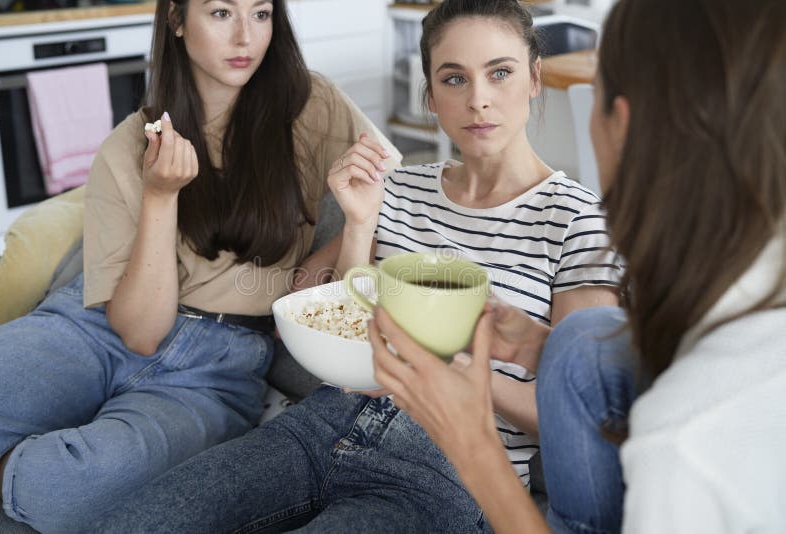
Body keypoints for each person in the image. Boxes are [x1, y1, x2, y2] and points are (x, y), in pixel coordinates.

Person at [95, 1, 622, 532]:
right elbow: (316, 297)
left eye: (500, 73)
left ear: (534, 78)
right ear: (431, 97)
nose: (479, 100)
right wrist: (358, 224)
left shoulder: (578, 221)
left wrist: (446, 373)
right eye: (454, 79)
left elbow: (582, 414)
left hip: (453, 468)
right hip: (328, 420)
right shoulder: (401, 185)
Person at [366, 0, 786, 532]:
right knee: (584, 335)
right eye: (454, 79)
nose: (479, 100)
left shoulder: (683, 443)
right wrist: (544, 348)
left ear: (622, 124)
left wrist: (471, 441)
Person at [0, 0, 400, 530]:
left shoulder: (311, 104)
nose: (246, 37)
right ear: (177, 21)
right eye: (222, 13)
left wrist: (311, 272)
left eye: (261, 13)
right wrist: (161, 197)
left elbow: (390, 183)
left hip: (214, 372)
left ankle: (8, 464)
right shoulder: (126, 146)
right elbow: (138, 333)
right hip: (98, 327)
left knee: (64, 487)